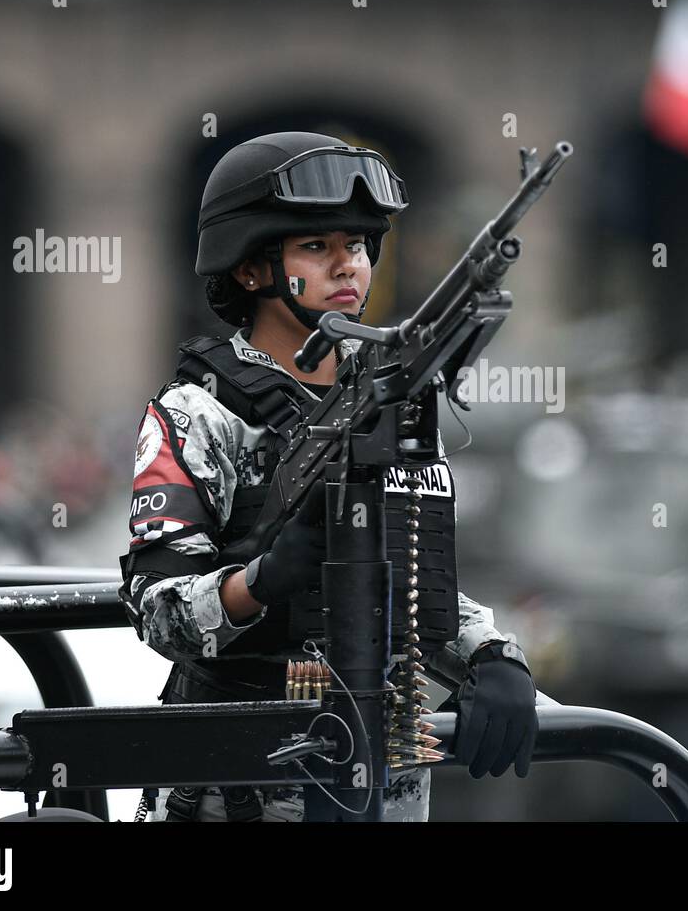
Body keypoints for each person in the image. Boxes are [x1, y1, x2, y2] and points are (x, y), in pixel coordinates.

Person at [117, 131, 538, 821]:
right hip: (232, 788)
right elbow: (157, 609)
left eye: (361, 245)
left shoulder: (393, 404)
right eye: (317, 247)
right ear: (251, 270)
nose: (350, 266)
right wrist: (261, 580)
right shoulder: (199, 415)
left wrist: (492, 655)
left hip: (382, 777)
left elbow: (410, 579)